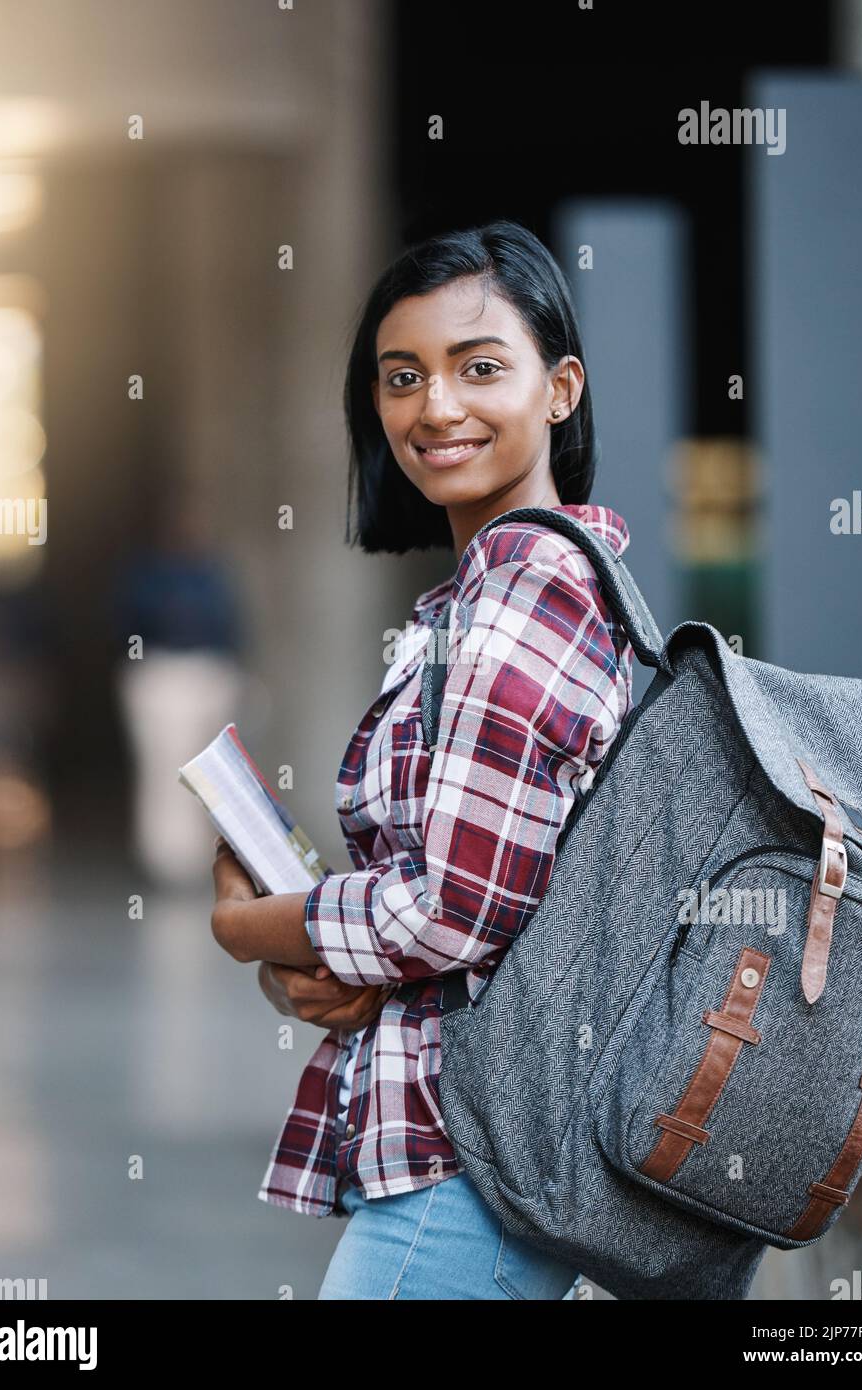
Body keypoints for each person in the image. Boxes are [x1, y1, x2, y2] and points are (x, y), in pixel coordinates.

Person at [210, 220, 634, 1299]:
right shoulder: (475, 599)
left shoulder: (530, 588)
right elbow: (485, 909)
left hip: (469, 1166)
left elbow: (451, 908)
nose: (435, 406)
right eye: (403, 376)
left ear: (561, 388)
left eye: (479, 366)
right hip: (471, 1148)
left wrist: (255, 925)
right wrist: (332, 974)